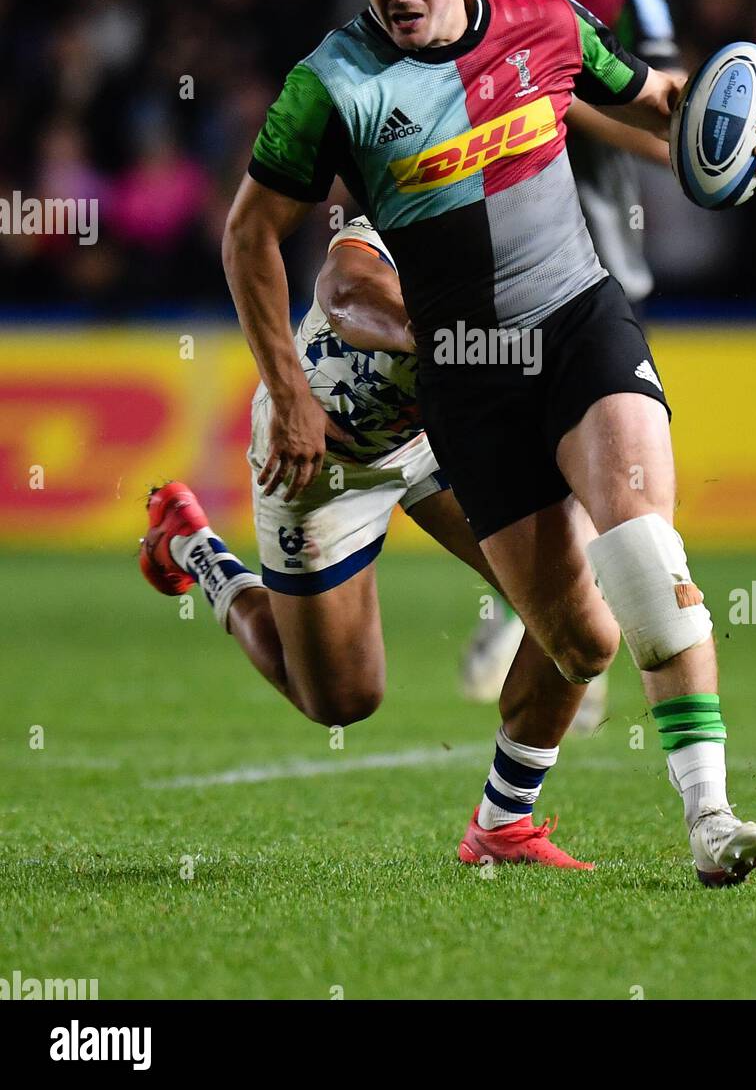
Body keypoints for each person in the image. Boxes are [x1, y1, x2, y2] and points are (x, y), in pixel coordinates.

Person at [220, 0, 756, 883]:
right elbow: (249, 236)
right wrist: (286, 391)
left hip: (580, 321)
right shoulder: (330, 86)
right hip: (468, 384)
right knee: (574, 642)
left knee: (645, 553)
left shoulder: (546, 24)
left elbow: (659, 101)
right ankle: (500, 821)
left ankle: (713, 819)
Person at [140, 214, 595, 867]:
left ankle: (503, 822)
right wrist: (453, 345)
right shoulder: (429, 192)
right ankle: (197, 551)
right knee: (343, 700)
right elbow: (348, 290)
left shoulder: (547, 230)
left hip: (438, 442)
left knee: (578, 610)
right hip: (322, 452)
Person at [462, 0, 680, 716]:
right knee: (512, 470)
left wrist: (549, 85)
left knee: (601, 470)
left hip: (600, 271)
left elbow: (667, 129)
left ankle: (546, 625)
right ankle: (545, 618)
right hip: (492, 276)